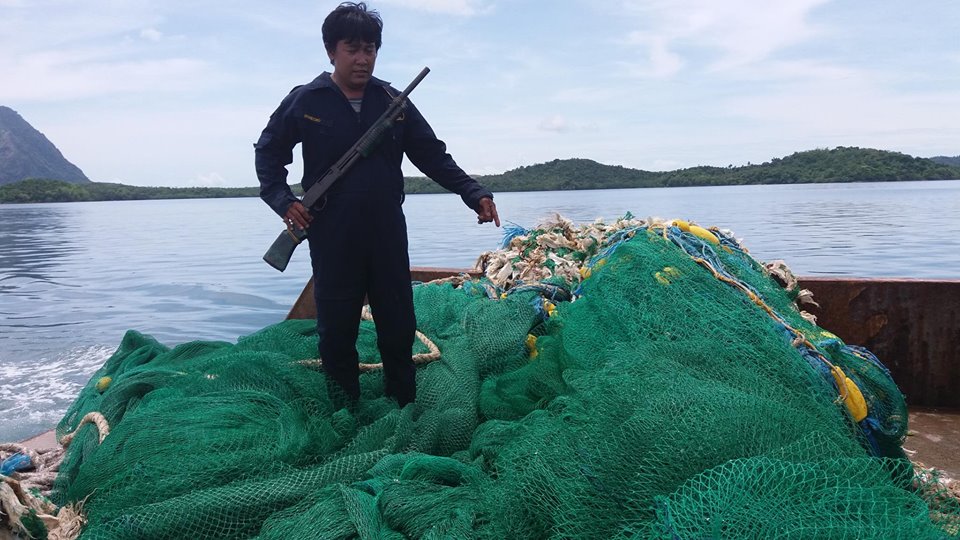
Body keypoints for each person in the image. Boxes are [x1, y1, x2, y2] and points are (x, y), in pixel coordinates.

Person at [254, 2, 499, 408]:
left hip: (387, 231)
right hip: (332, 235)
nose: (362, 58)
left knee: (398, 324)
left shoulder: (393, 102)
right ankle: (343, 408)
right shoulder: (306, 100)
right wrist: (283, 200)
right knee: (336, 328)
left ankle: (403, 404)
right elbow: (268, 152)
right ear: (331, 51)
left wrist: (475, 193)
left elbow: (432, 155)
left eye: (370, 49)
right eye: (352, 49)